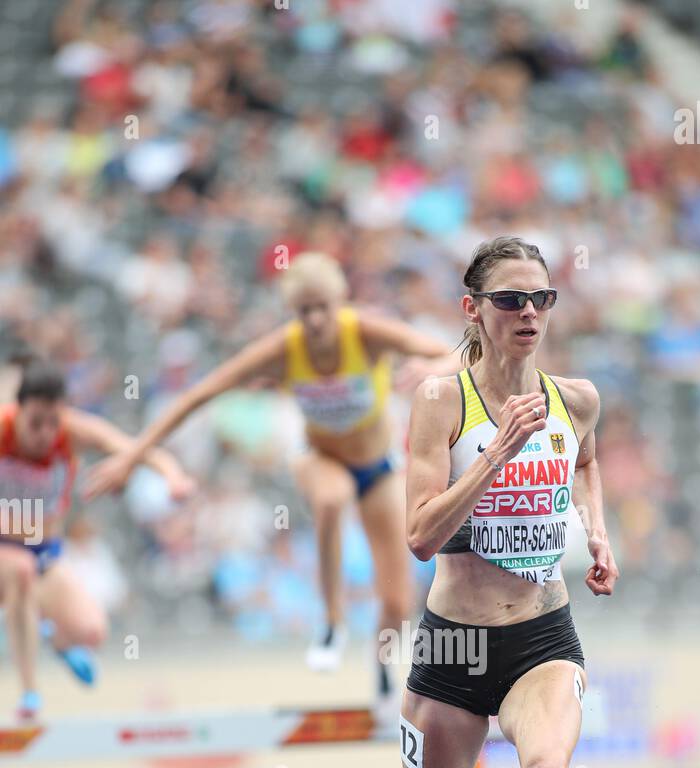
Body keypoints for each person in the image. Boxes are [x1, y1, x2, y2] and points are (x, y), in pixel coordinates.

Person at [376, 236, 618, 768]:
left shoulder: (576, 399)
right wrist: (496, 455)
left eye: (541, 300)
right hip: (453, 642)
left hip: (540, 635)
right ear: (471, 309)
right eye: (510, 299)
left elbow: (585, 462)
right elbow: (418, 537)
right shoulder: (442, 400)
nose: (528, 314)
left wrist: (598, 530)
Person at [84, 252, 459, 717]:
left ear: (340, 302)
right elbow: (201, 393)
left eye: (324, 307)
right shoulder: (284, 349)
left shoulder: (364, 332)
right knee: (331, 498)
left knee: (397, 599)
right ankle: (331, 621)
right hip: (319, 458)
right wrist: (134, 455)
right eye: (305, 312)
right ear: (293, 312)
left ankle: (381, 670)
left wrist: (435, 368)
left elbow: (457, 349)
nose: (316, 320)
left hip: (377, 466)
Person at [0, 357, 191, 719]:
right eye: (35, 424)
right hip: (8, 553)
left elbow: (135, 448)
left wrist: (173, 476)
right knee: (19, 571)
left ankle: (51, 635)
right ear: (17, 412)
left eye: (52, 424)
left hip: (41, 553)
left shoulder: (74, 432)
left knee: (91, 631)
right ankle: (29, 694)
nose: (44, 435)